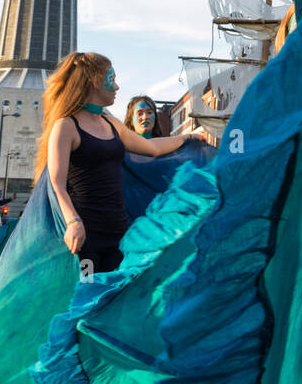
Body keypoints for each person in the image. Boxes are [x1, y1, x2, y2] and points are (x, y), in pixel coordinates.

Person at [39, 53, 203, 274]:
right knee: (87, 298)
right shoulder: (66, 126)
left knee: (115, 299)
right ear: (95, 81)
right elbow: (56, 183)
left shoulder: (111, 124)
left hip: (119, 233)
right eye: (111, 78)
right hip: (85, 238)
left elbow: (152, 148)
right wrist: (73, 222)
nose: (117, 86)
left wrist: (187, 138)